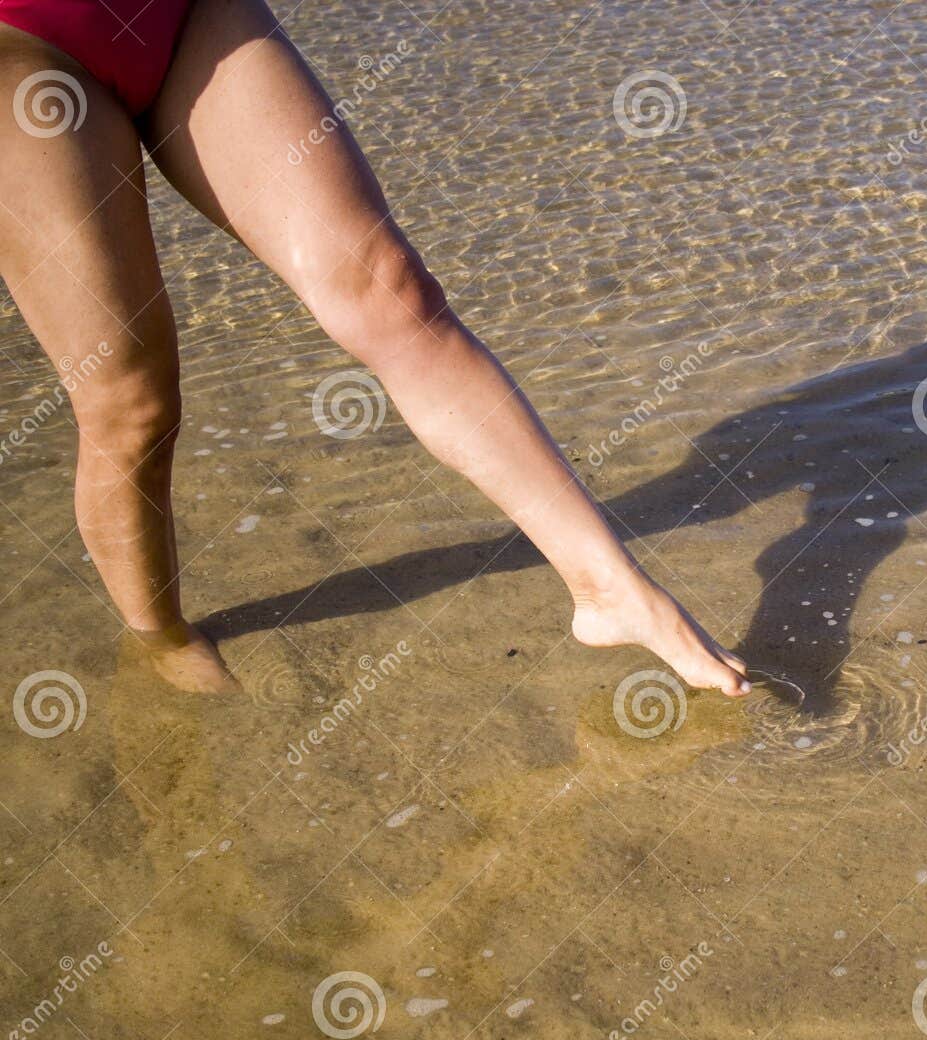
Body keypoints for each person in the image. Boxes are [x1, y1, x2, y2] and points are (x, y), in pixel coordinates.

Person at [0, 0, 749, 696]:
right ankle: (160, 638)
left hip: (181, 14)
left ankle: (607, 588)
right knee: (131, 399)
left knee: (389, 289)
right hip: (19, 46)